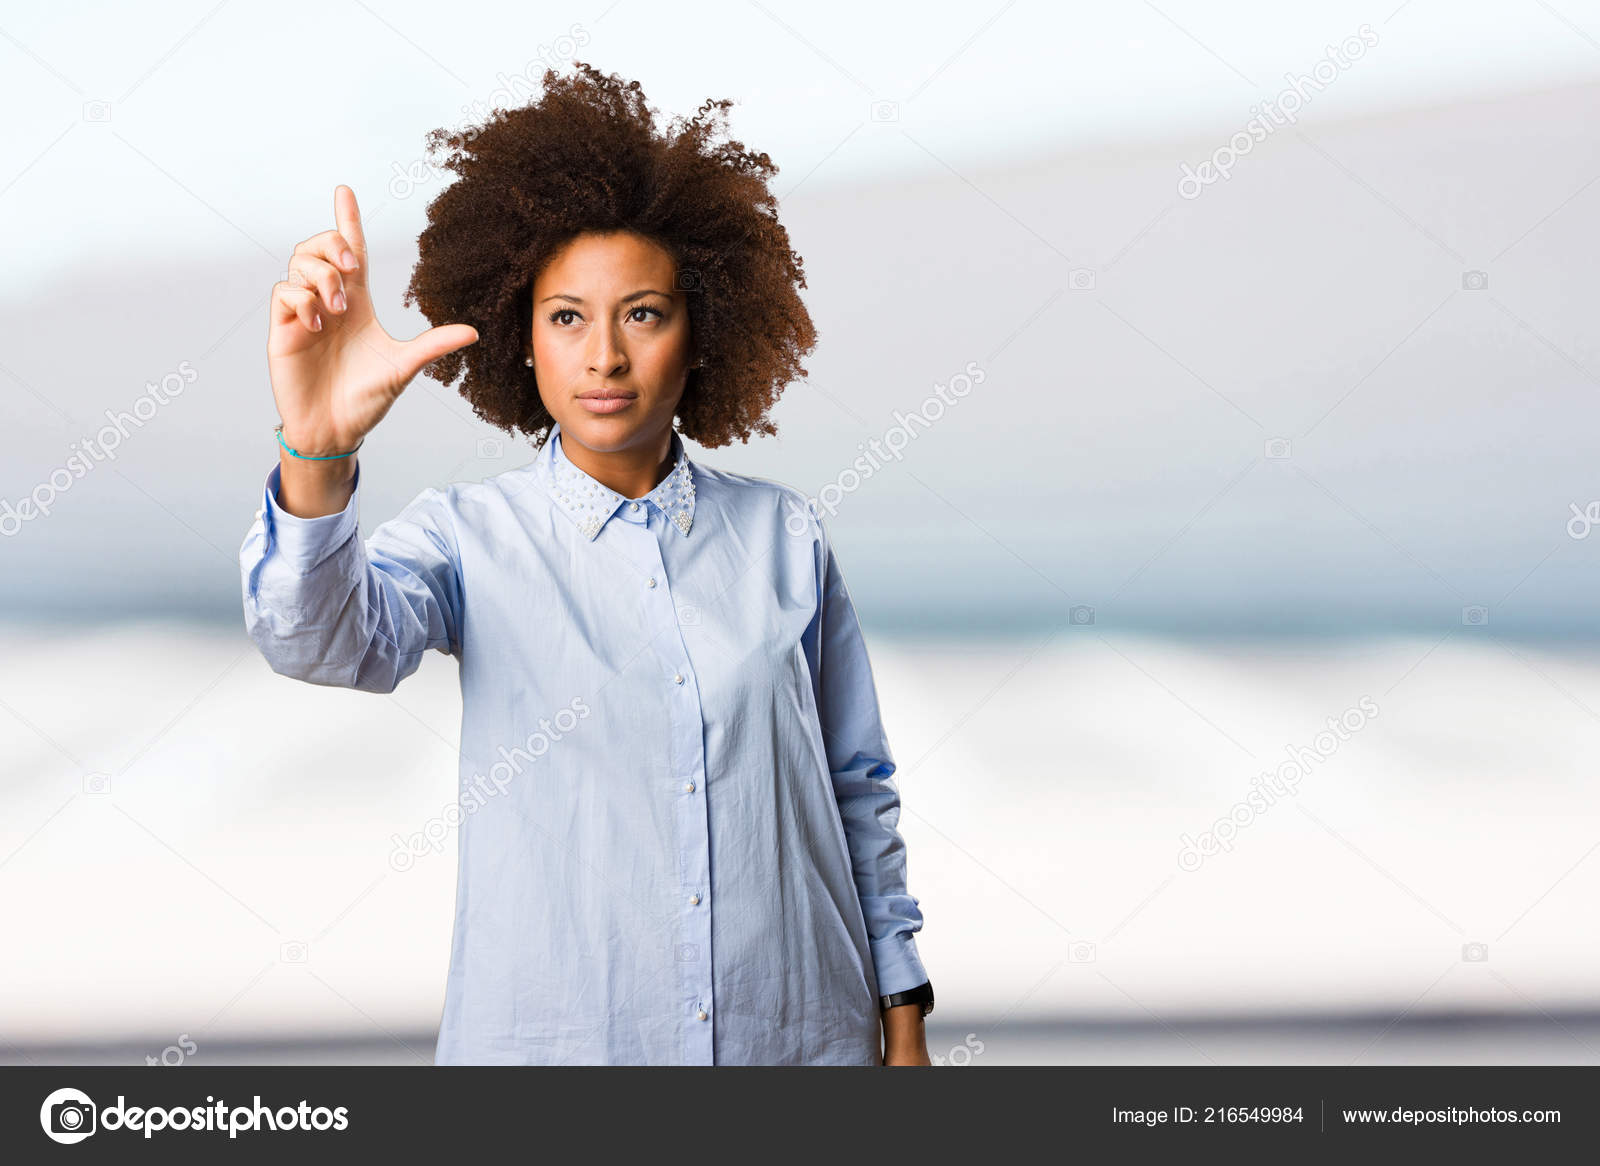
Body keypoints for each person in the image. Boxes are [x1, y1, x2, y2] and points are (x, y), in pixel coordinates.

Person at [238, 63, 932, 1066]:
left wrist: (903, 1022)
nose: (604, 354)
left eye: (642, 313)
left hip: (801, 1048)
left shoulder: (787, 537)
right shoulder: (468, 541)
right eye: (567, 316)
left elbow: (856, 786)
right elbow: (319, 640)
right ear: (522, 340)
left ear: (701, 333)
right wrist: (317, 447)